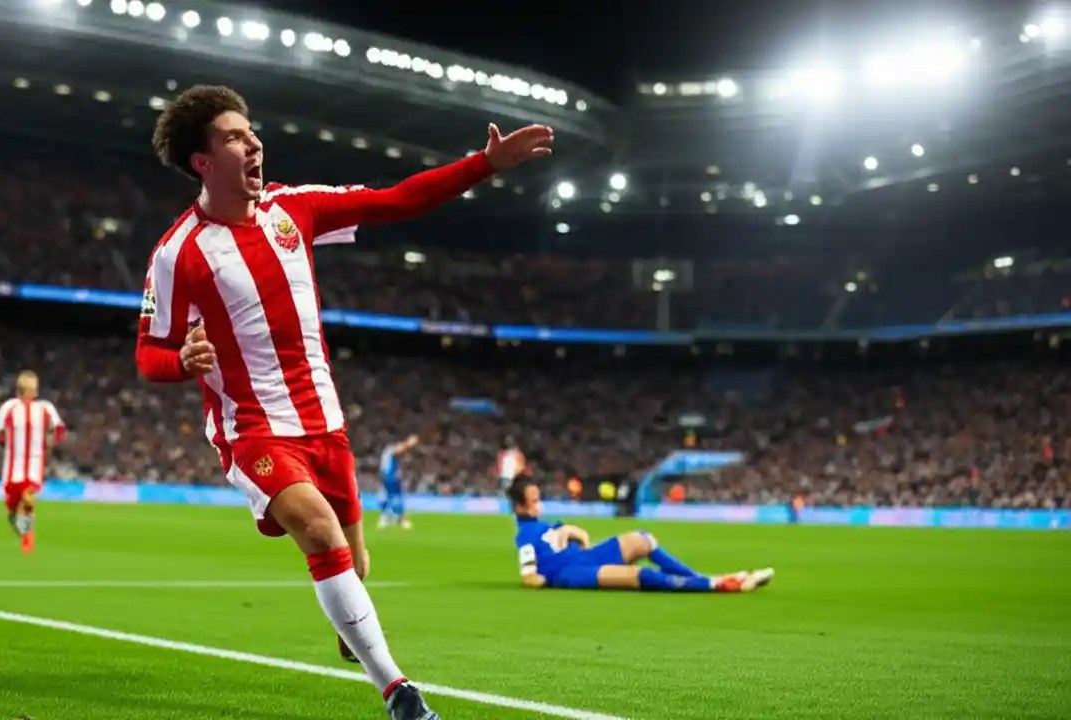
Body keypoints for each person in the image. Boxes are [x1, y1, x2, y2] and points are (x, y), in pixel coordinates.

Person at [134, 84, 553, 720]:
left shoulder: (293, 210)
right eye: (235, 137)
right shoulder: (178, 254)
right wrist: (181, 362)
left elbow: (395, 201)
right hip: (254, 431)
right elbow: (148, 353)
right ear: (202, 161)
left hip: (325, 423)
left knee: (354, 563)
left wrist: (484, 165)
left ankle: (350, 621)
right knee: (319, 530)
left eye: (253, 132)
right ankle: (400, 693)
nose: (254, 144)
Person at [508, 479, 774, 593]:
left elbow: (579, 534)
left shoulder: (546, 525)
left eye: (538, 498)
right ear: (520, 507)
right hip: (571, 574)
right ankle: (720, 584)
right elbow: (530, 576)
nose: (538, 504)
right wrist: (544, 579)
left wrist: (571, 532)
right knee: (638, 577)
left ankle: (697, 578)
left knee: (642, 539)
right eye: (533, 500)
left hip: (586, 557)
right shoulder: (525, 537)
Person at [0, 370, 65, 554]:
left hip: (25, 465)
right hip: (20, 466)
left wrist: (50, 442)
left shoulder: (39, 407)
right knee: (14, 506)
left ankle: (27, 541)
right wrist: (8, 445)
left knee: (27, 497)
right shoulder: (13, 407)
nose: (34, 392)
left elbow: (59, 428)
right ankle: (20, 524)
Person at [378, 434, 419, 530]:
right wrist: (408, 443)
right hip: (390, 478)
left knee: (392, 498)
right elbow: (399, 450)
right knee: (393, 498)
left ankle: (394, 518)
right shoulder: (391, 450)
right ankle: (397, 519)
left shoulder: (387, 452)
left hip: (388, 477)